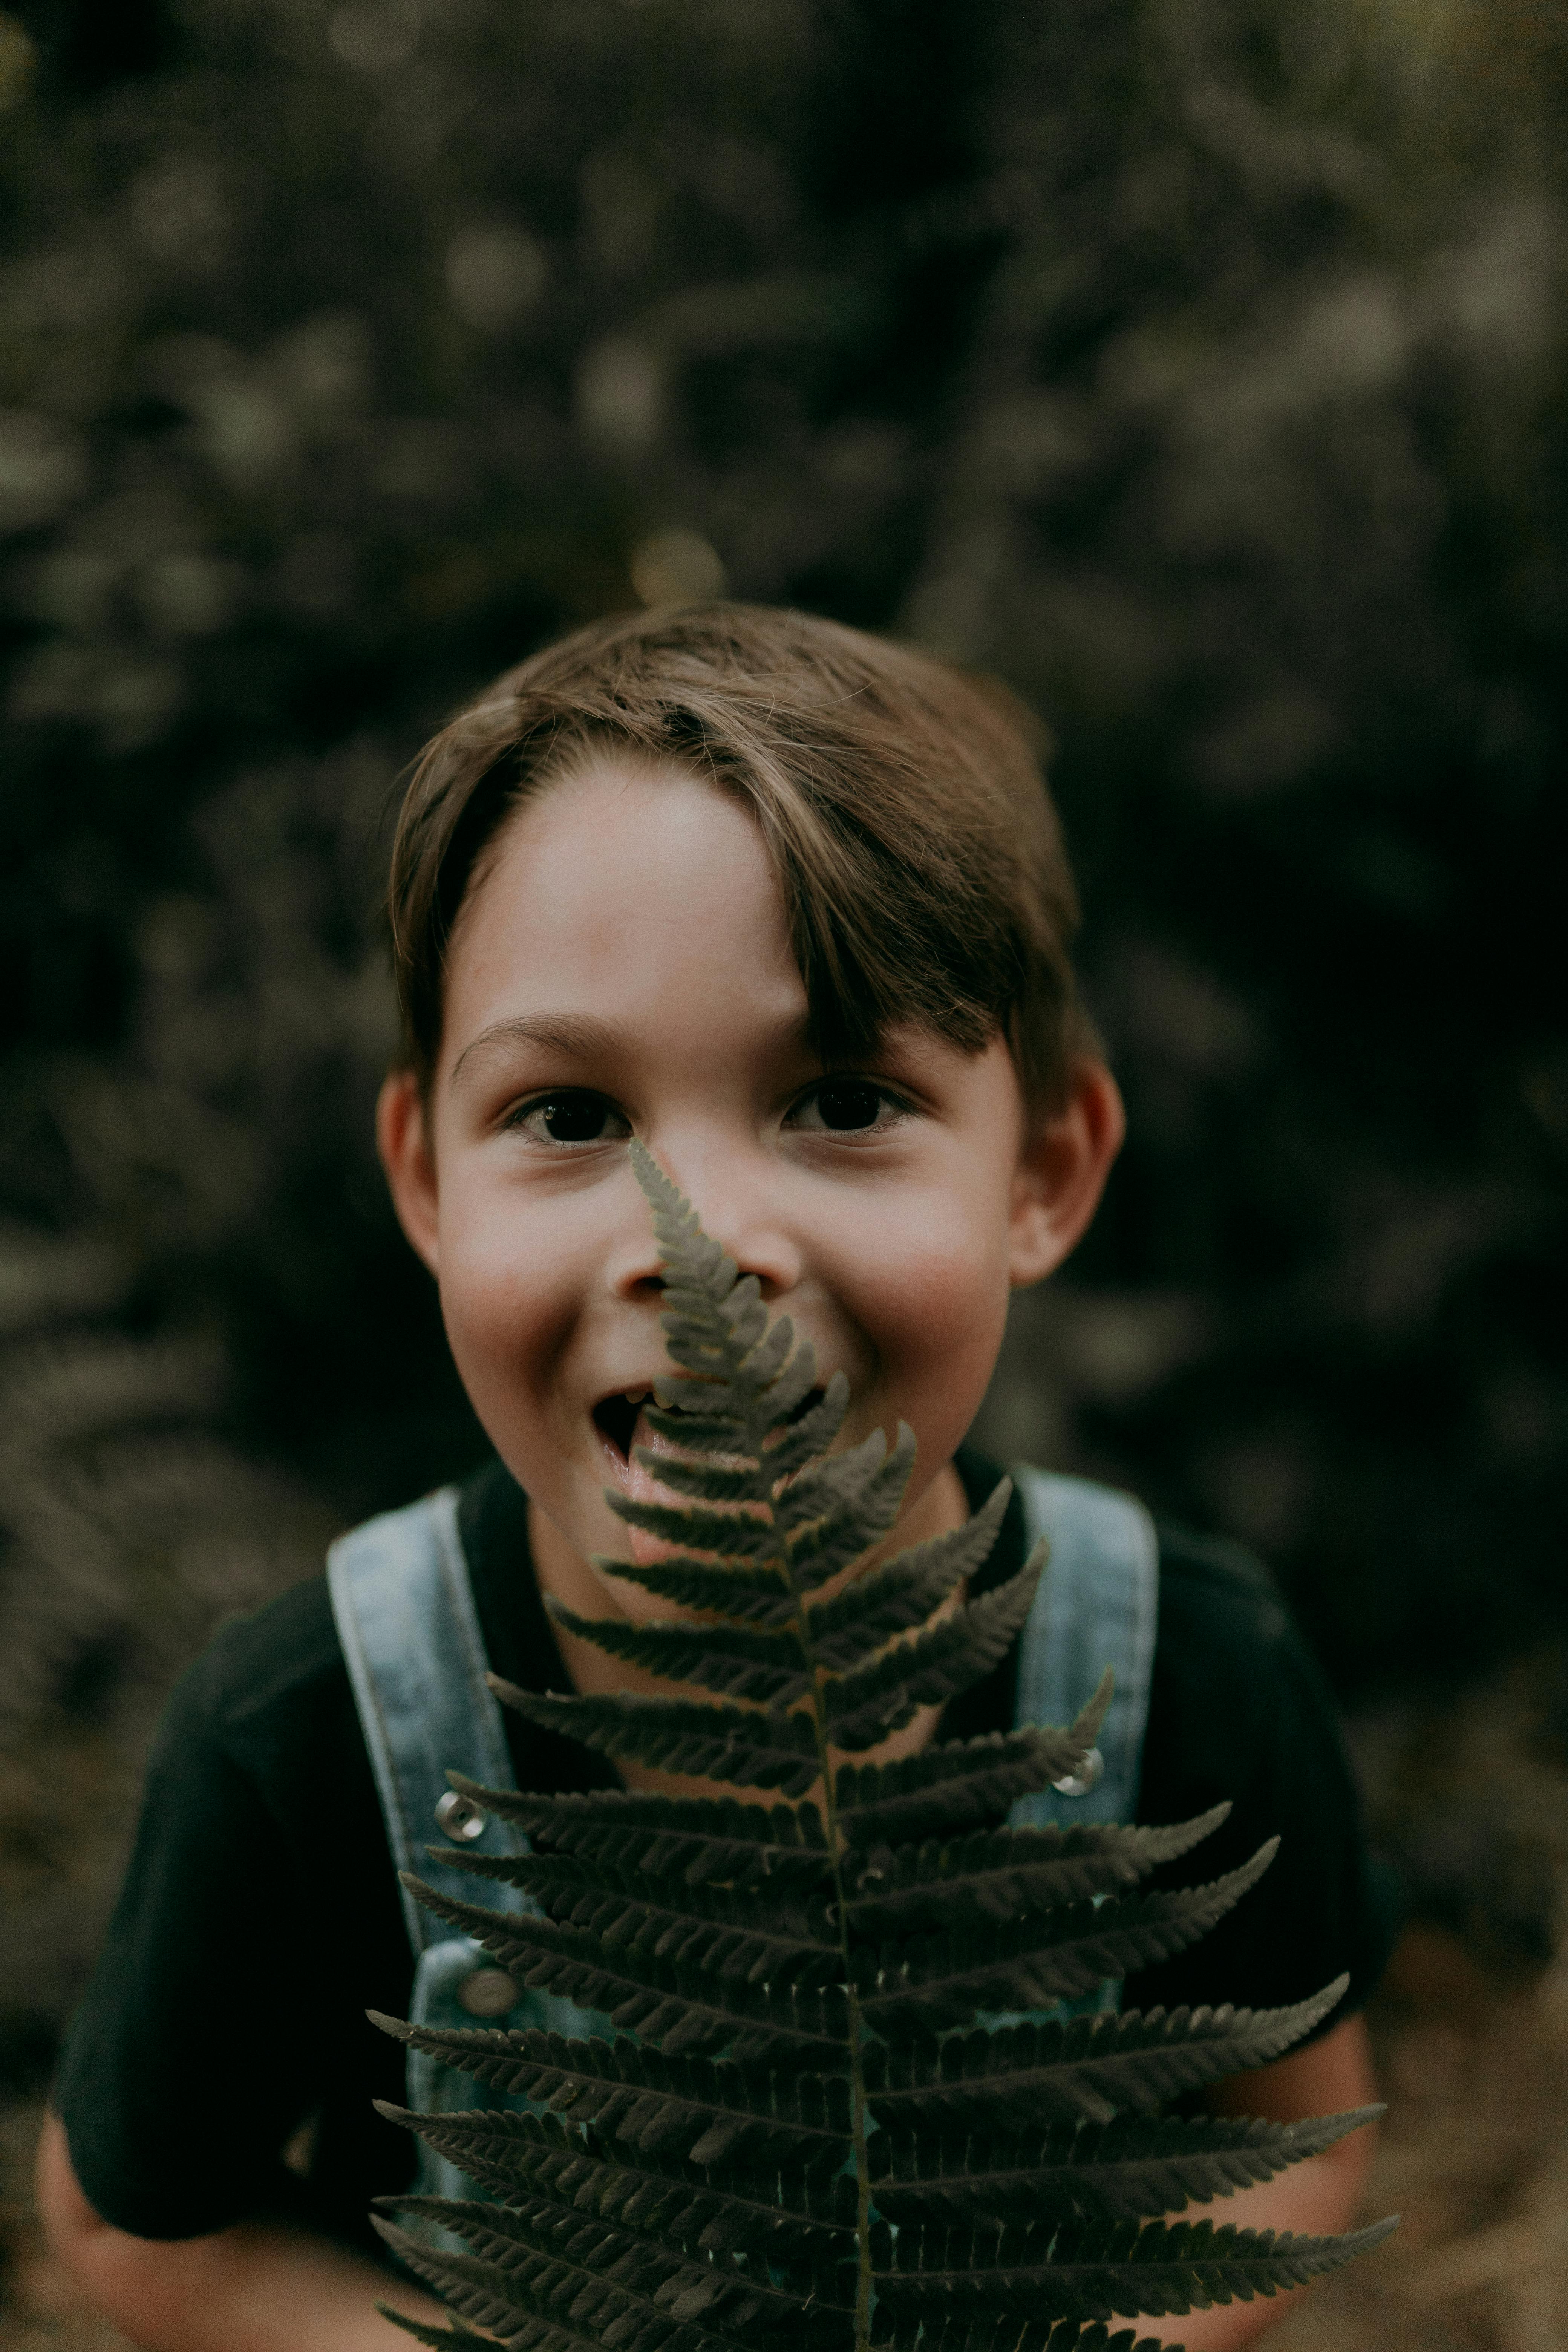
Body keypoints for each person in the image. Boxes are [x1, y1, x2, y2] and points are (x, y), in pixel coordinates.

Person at [37, 604, 1393, 2351]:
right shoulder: (303, 1743)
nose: (697, 1252)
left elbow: (1287, 2130)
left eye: (840, 1099)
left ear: (1043, 1171)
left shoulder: (1192, 1678)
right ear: (426, 1179)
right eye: (570, 1116)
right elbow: (146, 2225)